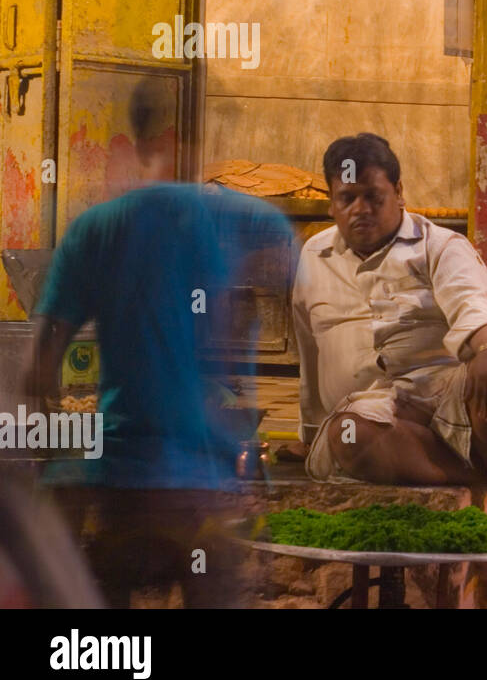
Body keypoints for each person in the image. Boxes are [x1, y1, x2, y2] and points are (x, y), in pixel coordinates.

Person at [18, 77, 294, 607]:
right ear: (185, 142)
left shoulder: (91, 231)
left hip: (123, 484)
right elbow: (281, 273)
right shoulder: (240, 216)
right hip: (206, 489)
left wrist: (58, 468)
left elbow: (37, 372)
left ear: (138, 141)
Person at [291, 133, 487, 581]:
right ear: (330, 202)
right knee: (346, 432)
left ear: (399, 194)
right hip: (373, 414)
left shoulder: (439, 245)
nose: (359, 209)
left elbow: (472, 304)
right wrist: (308, 433)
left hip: (444, 401)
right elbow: (308, 347)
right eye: (346, 198)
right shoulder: (312, 254)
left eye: (372, 196)